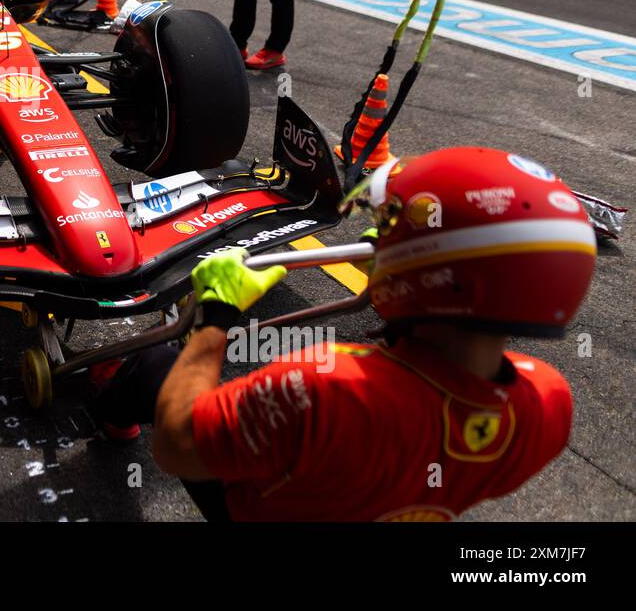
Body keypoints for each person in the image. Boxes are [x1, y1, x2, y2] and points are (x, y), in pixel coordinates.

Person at [92, 146, 596, 521]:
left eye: (392, 233)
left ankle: (114, 421)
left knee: (156, 368)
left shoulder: (328, 387)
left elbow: (177, 447)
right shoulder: (547, 402)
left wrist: (215, 320)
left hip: (259, 510)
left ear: (433, 275)